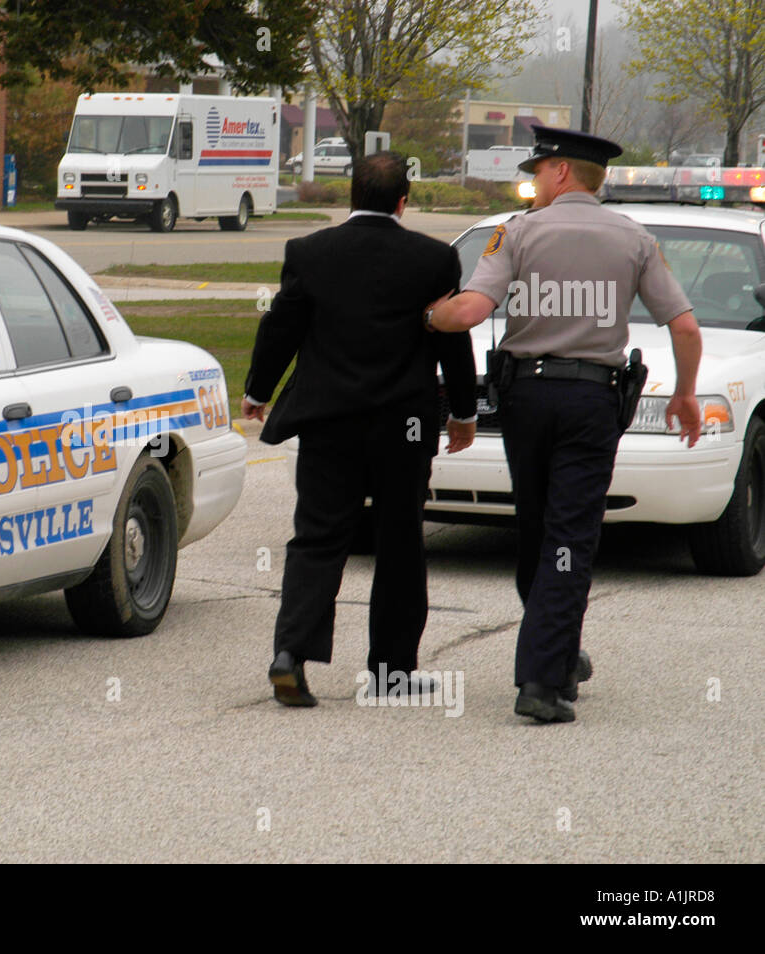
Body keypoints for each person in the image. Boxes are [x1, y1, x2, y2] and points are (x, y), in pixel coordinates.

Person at [426, 125, 703, 723]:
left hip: (526, 399)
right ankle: (542, 681)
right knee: (570, 535)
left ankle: (554, 656)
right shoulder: (636, 239)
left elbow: (471, 310)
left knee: (536, 529)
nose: (533, 180)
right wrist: (683, 394)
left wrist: (425, 313)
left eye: (538, 169)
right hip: (590, 401)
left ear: (560, 172)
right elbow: (684, 326)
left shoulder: (517, 232)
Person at [242, 151, 477, 707]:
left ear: (350, 197)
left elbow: (283, 325)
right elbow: (451, 339)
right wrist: (463, 413)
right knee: (400, 541)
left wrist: (257, 391)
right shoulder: (434, 260)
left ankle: (290, 654)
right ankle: (391, 673)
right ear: (403, 202)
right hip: (407, 426)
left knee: (319, 536)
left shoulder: (309, 252)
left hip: (329, 421)